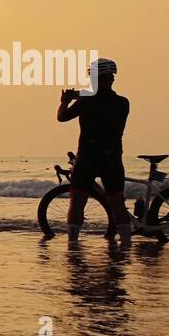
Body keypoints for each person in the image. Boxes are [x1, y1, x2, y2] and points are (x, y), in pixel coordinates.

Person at [57, 58, 131, 244]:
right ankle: (126, 243)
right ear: (112, 79)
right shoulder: (122, 103)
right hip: (112, 157)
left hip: (87, 157)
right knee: (117, 202)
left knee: (78, 202)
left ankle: (72, 243)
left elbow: (62, 117)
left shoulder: (85, 102)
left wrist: (65, 101)